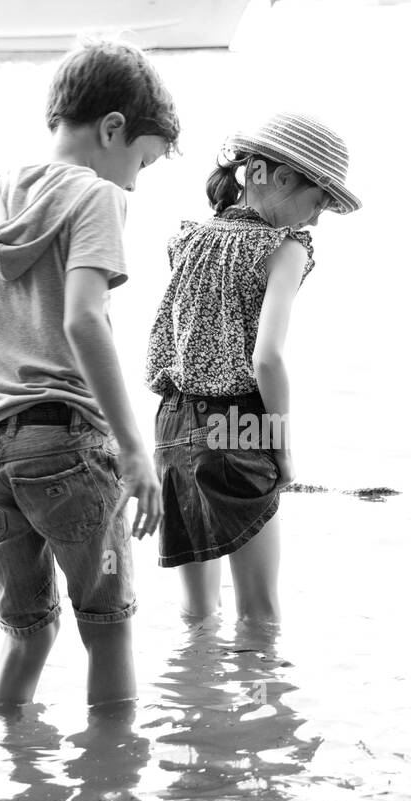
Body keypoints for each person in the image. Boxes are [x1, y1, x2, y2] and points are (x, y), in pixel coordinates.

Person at [0, 40, 178, 707]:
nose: (134, 181)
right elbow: (84, 321)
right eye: (141, 160)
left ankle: (18, 794)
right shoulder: (97, 198)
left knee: (27, 634)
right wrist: (136, 451)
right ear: (111, 130)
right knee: (108, 631)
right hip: (64, 446)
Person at [144, 112, 361, 622]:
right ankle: (261, 702)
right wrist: (282, 450)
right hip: (238, 425)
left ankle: (198, 699)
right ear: (281, 177)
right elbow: (267, 359)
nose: (315, 219)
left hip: (172, 424)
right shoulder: (283, 247)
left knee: (197, 611)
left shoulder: (188, 238)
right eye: (318, 202)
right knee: (260, 612)